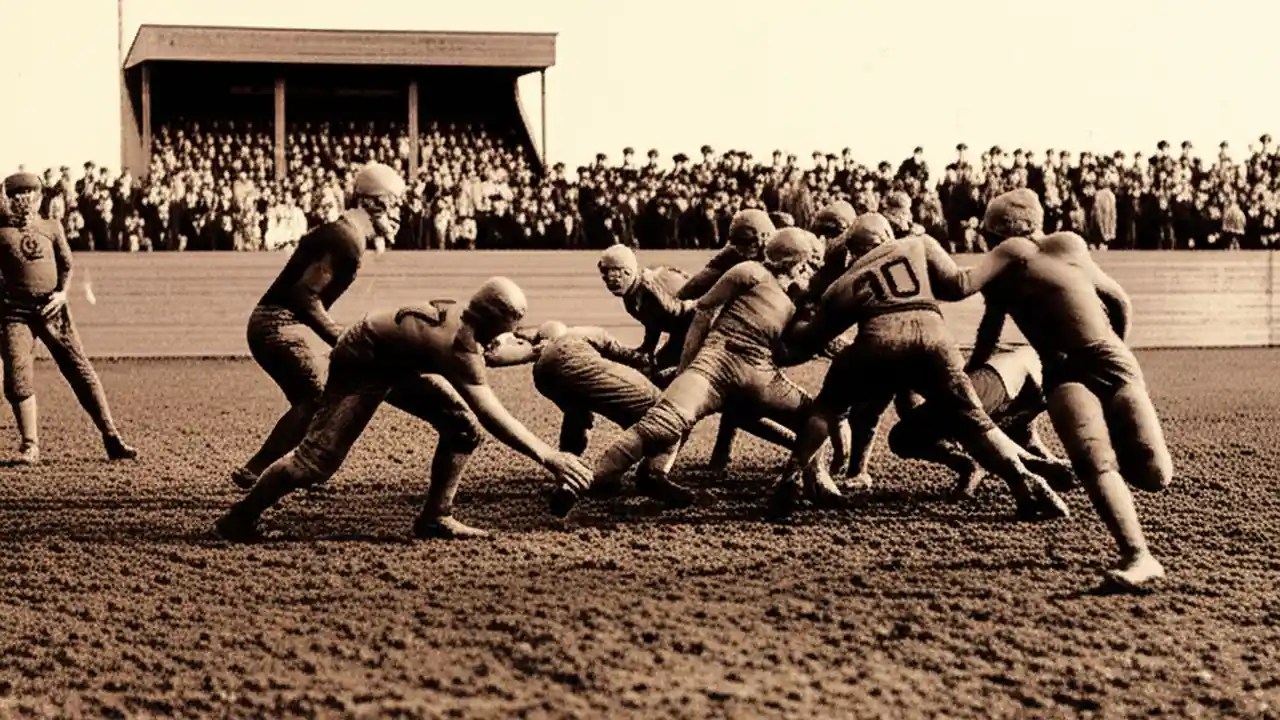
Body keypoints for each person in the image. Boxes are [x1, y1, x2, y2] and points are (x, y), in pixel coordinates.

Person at [214, 278, 593, 542]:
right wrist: (547, 455)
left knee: (460, 428)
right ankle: (239, 519)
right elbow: (490, 411)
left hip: (385, 353)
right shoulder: (457, 345)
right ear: (494, 321)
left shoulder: (464, 313)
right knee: (315, 463)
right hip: (362, 362)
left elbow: (491, 351)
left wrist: (531, 352)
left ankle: (435, 518)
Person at [769, 219, 1072, 523]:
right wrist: (999, 262)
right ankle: (1025, 483)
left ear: (852, 251)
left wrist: (799, 307)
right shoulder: (917, 243)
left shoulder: (843, 285)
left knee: (828, 406)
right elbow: (959, 286)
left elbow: (809, 340)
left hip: (879, 341)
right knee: (972, 418)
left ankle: (792, 476)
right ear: (887, 235)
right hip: (935, 339)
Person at [549, 228, 848, 519]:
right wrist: (685, 367)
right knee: (815, 417)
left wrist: (687, 370)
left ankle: (584, 481)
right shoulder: (754, 274)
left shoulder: (766, 282)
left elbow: (705, 317)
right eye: (809, 264)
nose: (811, 271)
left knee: (657, 424)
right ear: (797, 263)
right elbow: (702, 314)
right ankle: (795, 478)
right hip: (747, 371)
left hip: (718, 367)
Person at [962, 188, 1173, 591]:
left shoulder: (1062, 246)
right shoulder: (1010, 268)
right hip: (1065, 373)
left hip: (1111, 363)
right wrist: (972, 372)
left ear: (1007, 231)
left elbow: (1117, 299)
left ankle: (1120, 487)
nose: (986, 242)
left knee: (1154, 474)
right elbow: (991, 324)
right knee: (1095, 461)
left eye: (990, 233)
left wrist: (1118, 351)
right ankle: (1138, 555)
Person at [229, 162, 405, 490]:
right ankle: (261, 470)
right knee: (317, 398)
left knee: (318, 397)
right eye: (396, 204)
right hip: (277, 326)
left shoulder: (345, 233)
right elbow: (305, 297)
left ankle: (293, 467)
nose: (400, 215)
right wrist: (344, 337)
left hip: (275, 324)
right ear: (375, 203)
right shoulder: (348, 240)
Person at [0, 173, 136, 464]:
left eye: (28, 194)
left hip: (53, 310)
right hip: (14, 313)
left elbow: (66, 265)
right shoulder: (0, 231)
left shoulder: (51, 227)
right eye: (16, 195)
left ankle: (111, 435)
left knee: (79, 368)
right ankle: (30, 445)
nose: (23, 201)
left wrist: (62, 293)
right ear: (7, 199)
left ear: (38, 198)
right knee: (17, 373)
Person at [888, 344, 1072, 499]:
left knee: (902, 437)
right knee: (989, 432)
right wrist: (1050, 459)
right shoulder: (1048, 362)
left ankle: (970, 466)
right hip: (1029, 385)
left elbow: (910, 401)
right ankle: (1045, 466)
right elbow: (1026, 432)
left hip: (1001, 380)